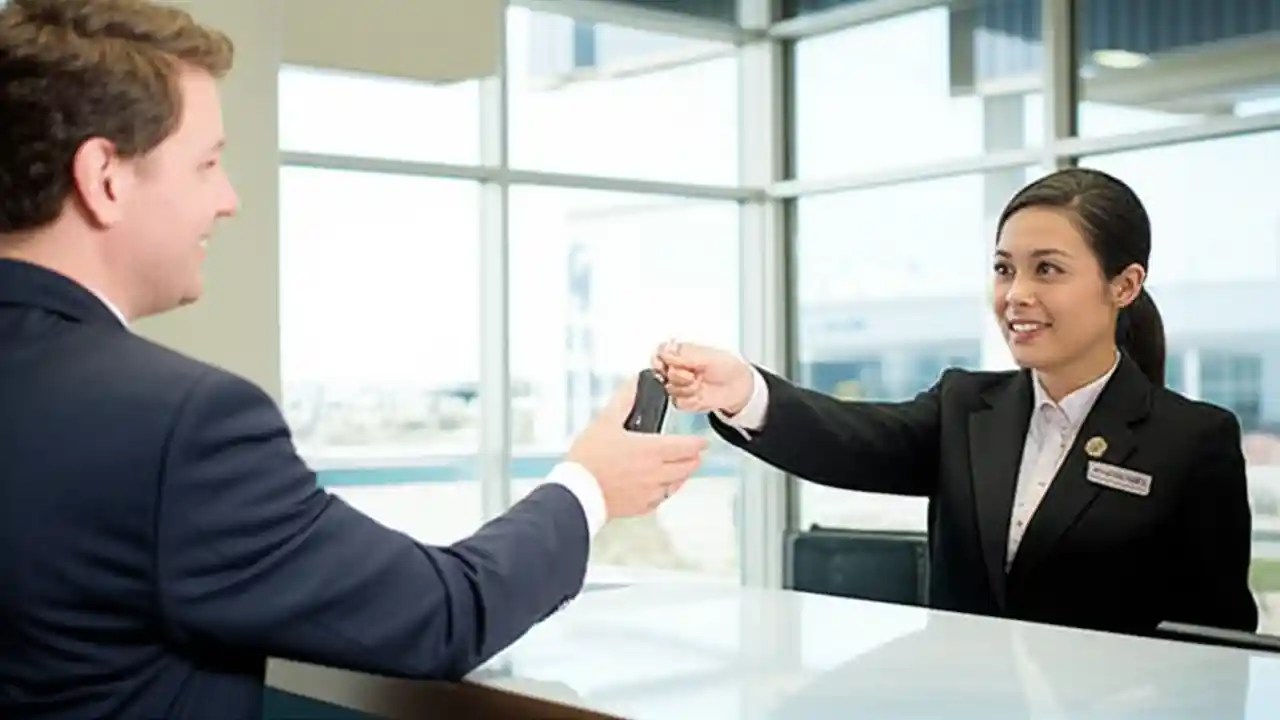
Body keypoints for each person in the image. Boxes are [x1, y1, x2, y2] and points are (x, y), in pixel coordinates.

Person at [0, 1, 706, 718]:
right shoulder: (179, 427)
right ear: (105, 177)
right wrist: (591, 485)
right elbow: (442, 614)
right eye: (207, 164)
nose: (228, 199)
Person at [655, 167, 1258, 637]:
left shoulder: (1192, 440)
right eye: (1004, 269)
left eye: (1047, 270)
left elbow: (1216, 635)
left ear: (1123, 285)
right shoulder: (966, 408)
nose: (1016, 295)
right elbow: (852, 439)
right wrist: (744, 391)